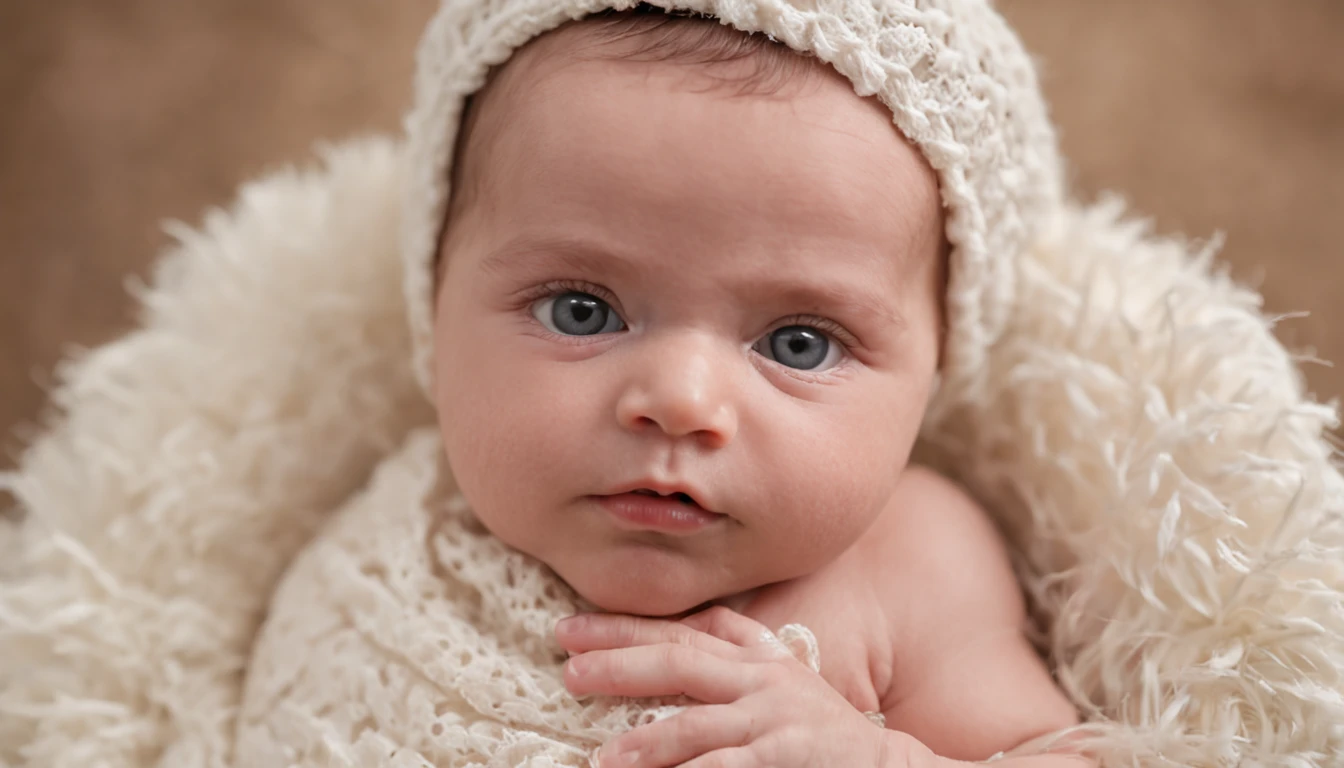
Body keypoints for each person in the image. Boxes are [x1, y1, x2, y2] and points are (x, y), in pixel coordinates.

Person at [427, 7, 1086, 766]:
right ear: (434, 303)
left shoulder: (909, 562)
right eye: (581, 311)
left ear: (935, 372)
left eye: (798, 345)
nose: (680, 401)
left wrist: (872, 758)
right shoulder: (391, 508)